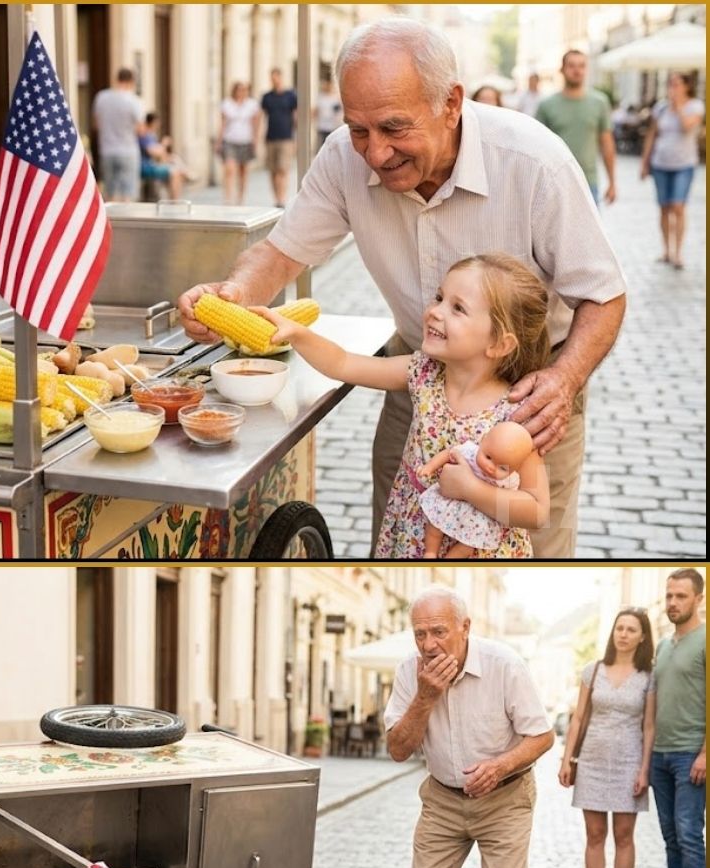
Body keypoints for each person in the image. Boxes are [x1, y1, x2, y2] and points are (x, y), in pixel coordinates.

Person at [177, 18, 626, 560]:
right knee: (401, 538)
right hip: (418, 380)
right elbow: (280, 253)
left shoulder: (535, 163)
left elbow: (604, 294)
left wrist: (564, 379)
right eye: (359, 129)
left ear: (452, 103)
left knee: (528, 552)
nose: (375, 153)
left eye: (394, 128)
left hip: (529, 401)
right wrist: (235, 293)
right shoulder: (343, 155)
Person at [256, 253, 550, 558]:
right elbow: (344, 363)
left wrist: (472, 490)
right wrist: (297, 333)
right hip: (413, 540)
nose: (435, 312)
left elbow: (537, 510)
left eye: (457, 308)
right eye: (439, 297)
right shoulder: (423, 372)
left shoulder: (515, 414)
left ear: (499, 344)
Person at [383, 586, 554, 868]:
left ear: (465, 628)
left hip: (505, 797)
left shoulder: (504, 666)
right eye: (420, 633)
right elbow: (398, 749)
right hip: (441, 799)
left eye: (439, 631)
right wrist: (425, 697)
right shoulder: (409, 673)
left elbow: (541, 736)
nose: (429, 644)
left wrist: (499, 766)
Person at [558, 608, 656, 868]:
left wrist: (644, 770)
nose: (624, 634)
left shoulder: (648, 675)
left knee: (624, 836)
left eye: (631, 629)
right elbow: (579, 718)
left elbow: (649, 726)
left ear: (642, 636)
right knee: (595, 834)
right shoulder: (593, 670)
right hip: (593, 760)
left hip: (629, 760)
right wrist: (567, 759)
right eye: (619, 628)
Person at [638, 568, 705, 868]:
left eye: (681, 596)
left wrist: (705, 753)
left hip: (691, 754)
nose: (673, 603)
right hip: (662, 755)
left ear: (699, 598)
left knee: (690, 835)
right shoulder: (664, 646)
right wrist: (647, 762)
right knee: (671, 837)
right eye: (669, 596)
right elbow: (653, 706)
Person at [416, 421, 540, 558]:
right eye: (488, 457)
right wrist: (430, 467)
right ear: (483, 441)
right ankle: (431, 553)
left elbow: (514, 500)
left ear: (515, 469)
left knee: (469, 545)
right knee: (434, 523)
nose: (491, 467)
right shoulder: (470, 451)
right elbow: (449, 453)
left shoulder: (511, 481)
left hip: (478, 516)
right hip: (451, 502)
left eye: (503, 468)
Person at [639, 74, 705, 270]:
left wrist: (677, 107)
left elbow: (687, 127)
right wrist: (645, 162)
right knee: (664, 208)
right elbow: (652, 135)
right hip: (660, 164)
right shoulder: (660, 108)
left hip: (684, 165)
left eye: (677, 84)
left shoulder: (695, 106)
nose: (673, 88)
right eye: (670, 84)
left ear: (686, 86)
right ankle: (666, 250)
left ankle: (678, 253)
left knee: (678, 207)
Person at [535, 50, 616, 206]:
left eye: (581, 66)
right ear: (562, 70)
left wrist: (612, 182)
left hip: (588, 182)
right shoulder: (547, 105)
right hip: (555, 183)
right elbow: (537, 147)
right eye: (571, 66)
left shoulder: (600, 102)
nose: (577, 70)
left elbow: (607, 144)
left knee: (590, 231)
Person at [92, 67, 146, 202]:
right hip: (128, 151)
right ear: (132, 82)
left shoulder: (101, 97)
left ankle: (112, 222)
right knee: (127, 194)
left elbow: (96, 125)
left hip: (107, 150)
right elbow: (141, 130)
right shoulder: (134, 101)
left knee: (110, 194)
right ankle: (126, 222)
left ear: (117, 79)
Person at [217, 82, 261, 205]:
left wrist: (255, 140)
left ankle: (241, 199)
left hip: (246, 141)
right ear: (234, 91)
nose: (241, 92)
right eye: (239, 90)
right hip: (229, 141)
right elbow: (223, 124)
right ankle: (228, 198)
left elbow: (256, 123)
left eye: (244, 90)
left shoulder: (252, 104)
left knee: (243, 172)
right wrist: (219, 141)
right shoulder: (227, 104)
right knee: (229, 170)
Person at [260, 68, 297, 207]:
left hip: (286, 137)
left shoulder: (290, 95)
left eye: (276, 77)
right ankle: (276, 198)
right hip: (270, 137)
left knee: (283, 169)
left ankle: (282, 198)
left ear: (281, 78)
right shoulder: (267, 97)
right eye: (272, 78)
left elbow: (295, 116)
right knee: (273, 170)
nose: (275, 80)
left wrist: (296, 137)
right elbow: (262, 117)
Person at [139, 113, 187, 201]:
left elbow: (160, 155)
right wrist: (164, 144)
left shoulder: (152, 135)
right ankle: (174, 201)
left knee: (175, 165)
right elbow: (154, 153)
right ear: (153, 122)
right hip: (146, 167)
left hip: (153, 165)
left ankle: (174, 200)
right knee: (175, 172)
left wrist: (167, 157)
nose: (159, 125)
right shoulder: (144, 135)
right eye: (157, 122)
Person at [314, 75, 343, 150]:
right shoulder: (320, 97)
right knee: (322, 148)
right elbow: (315, 111)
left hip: (334, 127)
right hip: (322, 127)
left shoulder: (337, 98)